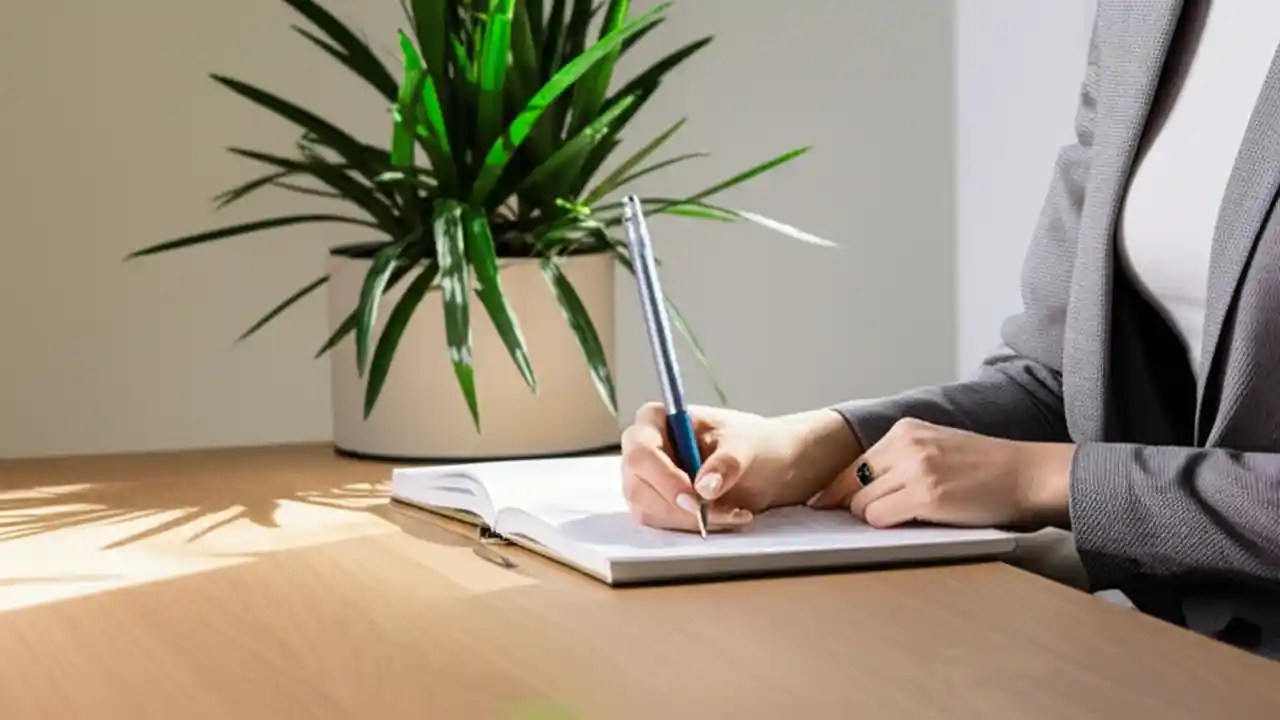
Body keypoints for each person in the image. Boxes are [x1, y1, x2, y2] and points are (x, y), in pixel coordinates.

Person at [619, 0, 1280, 659]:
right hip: (1171, 643)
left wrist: (1040, 481)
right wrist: (809, 447)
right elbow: (1061, 383)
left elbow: (1046, 460)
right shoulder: (1143, 15)